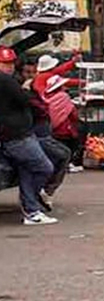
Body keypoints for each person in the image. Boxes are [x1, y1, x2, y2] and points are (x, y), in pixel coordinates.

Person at [0, 46, 58, 225]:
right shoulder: (6, 81)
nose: (9, 67)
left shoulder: (9, 79)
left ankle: (31, 210)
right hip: (17, 135)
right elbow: (24, 99)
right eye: (5, 63)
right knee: (44, 167)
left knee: (27, 168)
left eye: (10, 63)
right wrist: (26, 90)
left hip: (18, 133)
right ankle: (30, 206)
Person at [21, 58, 71, 211]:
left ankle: (37, 197)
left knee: (52, 160)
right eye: (26, 72)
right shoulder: (25, 89)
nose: (30, 75)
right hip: (30, 135)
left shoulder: (35, 87)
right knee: (43, 165)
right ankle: (35, 199)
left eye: (32, 72)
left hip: (34, 134)